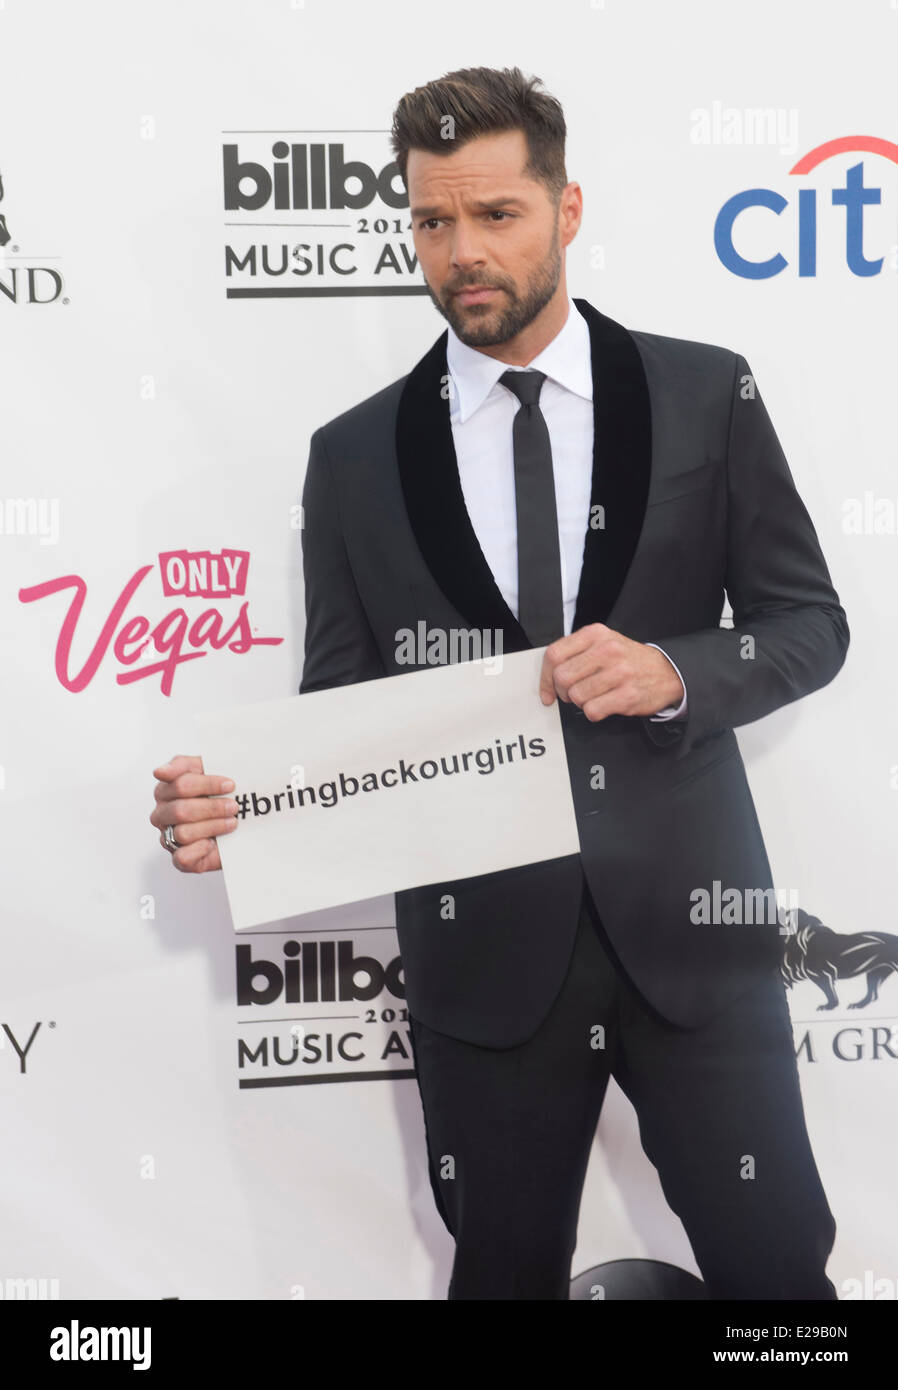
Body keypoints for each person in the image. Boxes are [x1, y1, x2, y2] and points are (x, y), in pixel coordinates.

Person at [151, 66, 849, 1300]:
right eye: (430, 221)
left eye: (495, 216)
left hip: (698, 933)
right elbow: (346, 719)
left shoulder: (704, 391)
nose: (460, 252)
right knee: (504, 1274)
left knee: (780, 1271)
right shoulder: (357, 453)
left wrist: (674, 670)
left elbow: (808, 624)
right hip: (486, 966)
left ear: (566, 209)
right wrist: (247, 813)